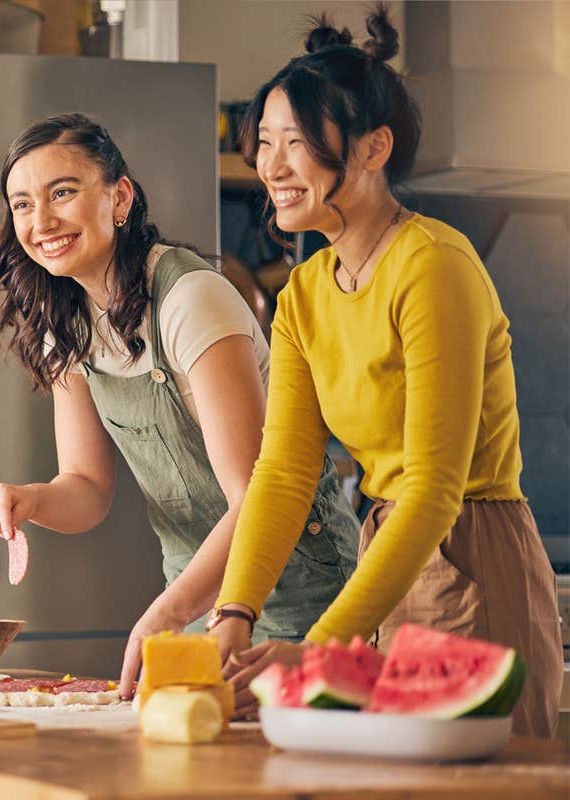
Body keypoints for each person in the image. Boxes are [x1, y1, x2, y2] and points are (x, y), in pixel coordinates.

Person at [209, 8, 562, 737]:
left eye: (297, 144)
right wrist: (233, 613)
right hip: (387, 559)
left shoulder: (433, 266)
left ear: (373, 149)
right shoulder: (304, 294)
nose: (271, 167)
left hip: (472, 551)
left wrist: (314, 650)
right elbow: (282, 472)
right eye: (264, 143)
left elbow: (433, 490)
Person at [0, 113, 359, 700]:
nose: (41, 221)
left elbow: (254, 496)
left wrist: (168, 611)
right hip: (197, 602)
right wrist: (32, 500)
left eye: (63, 193)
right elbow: (87, 487)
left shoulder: (190, 300)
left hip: (300, 589)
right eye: (22, 204)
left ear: (119, 197)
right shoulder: (67, 323)